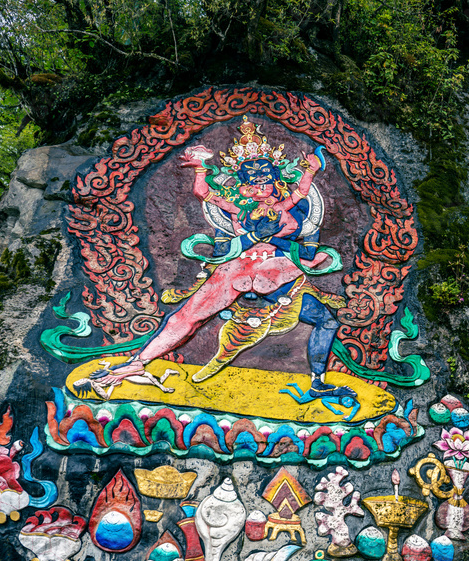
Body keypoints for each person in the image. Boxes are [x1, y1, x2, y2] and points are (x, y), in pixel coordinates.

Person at [87, 128, 355, 400]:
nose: (259, 189)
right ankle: (137, 362)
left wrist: (310, 171)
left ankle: (317, 383)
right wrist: (200, 168)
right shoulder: (243, 210)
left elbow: (301, 192)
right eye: (252, 184)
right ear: (244, 186)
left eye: (265, 182)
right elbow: (204, 193)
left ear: (276, 181)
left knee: (324, 321)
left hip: (267, 271)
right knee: (187, 317)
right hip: (255, 270)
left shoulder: (277, 208)